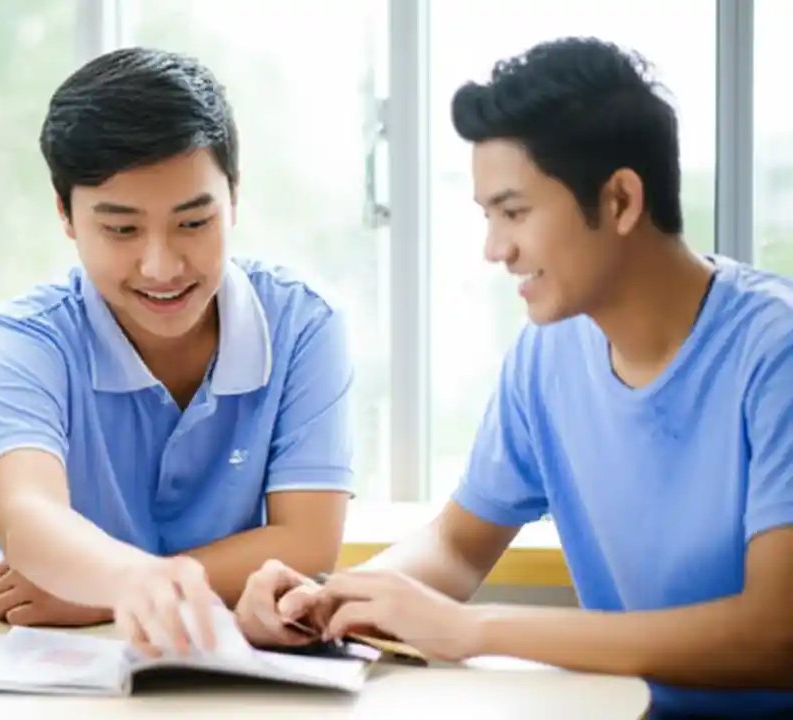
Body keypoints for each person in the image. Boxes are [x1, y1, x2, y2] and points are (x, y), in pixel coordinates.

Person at [235, 37, 793, 718]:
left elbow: (776, 633)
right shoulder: (547, 356)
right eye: (488, 217)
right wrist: (329, 601)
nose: (495, 250)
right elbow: (456, 547)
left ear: (620, 200)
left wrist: (477, 631)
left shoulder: (775, 354)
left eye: (514, 212)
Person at [0, 46, 355, 655]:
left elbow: (307, 540)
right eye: (121, 229)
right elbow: (29, 520)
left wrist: (103, 591)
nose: (162, 265)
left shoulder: (304, 326)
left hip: (214, 667)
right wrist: (134, 584)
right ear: (65, 214)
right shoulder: (20, 341)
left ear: (234, 197)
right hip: (33, 658)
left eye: (193, 223)